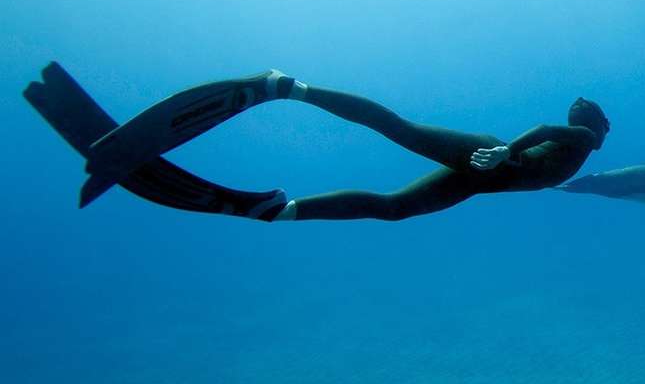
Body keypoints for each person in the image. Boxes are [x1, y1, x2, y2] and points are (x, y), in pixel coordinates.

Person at [55, 68, 609, 222]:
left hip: (493, 175)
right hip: (497, 159)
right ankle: (288, 88)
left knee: (392, 210)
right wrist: (504, 151)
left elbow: (551, 133)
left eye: (586, 109)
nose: (581, 111)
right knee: (404, 131)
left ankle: (282, 211)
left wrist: (503, 163)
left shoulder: (590, 139)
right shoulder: (582, 137)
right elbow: (545, 131)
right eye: (580, 112)